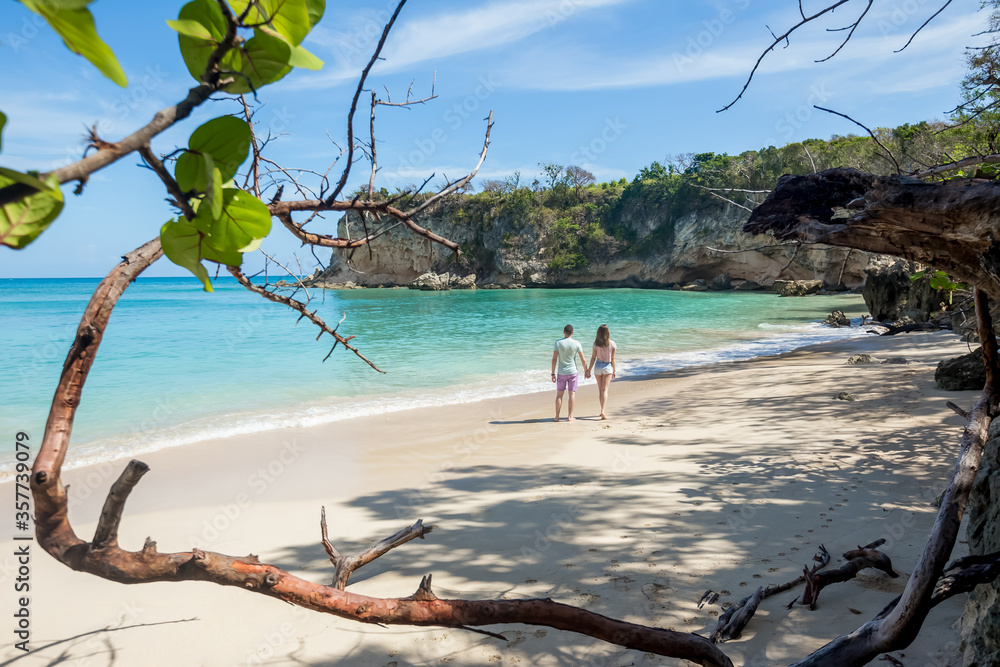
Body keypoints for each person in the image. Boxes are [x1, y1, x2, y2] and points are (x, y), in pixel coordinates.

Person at [551, 324, 588, 422]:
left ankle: (557, 417)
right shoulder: (577, 343)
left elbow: (554, 359)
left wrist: (552, 373)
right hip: (573, 372)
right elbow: (583, 359)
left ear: (564, 332)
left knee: (559, 395)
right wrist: (586, 371)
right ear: (572, 333)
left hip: (561, 372)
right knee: (572, 394)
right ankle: (570, 416)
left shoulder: (558, 343)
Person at [587, 324, 617, 420]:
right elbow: (613, 358)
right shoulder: (612, 344)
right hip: (607, 366)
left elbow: (593, 358)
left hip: (598, 366)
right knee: (605, 390)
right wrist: (614, 370)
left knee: (600, 390)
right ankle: (603, 410)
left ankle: (602, 410)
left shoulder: (596, 344)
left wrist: (589, 370)